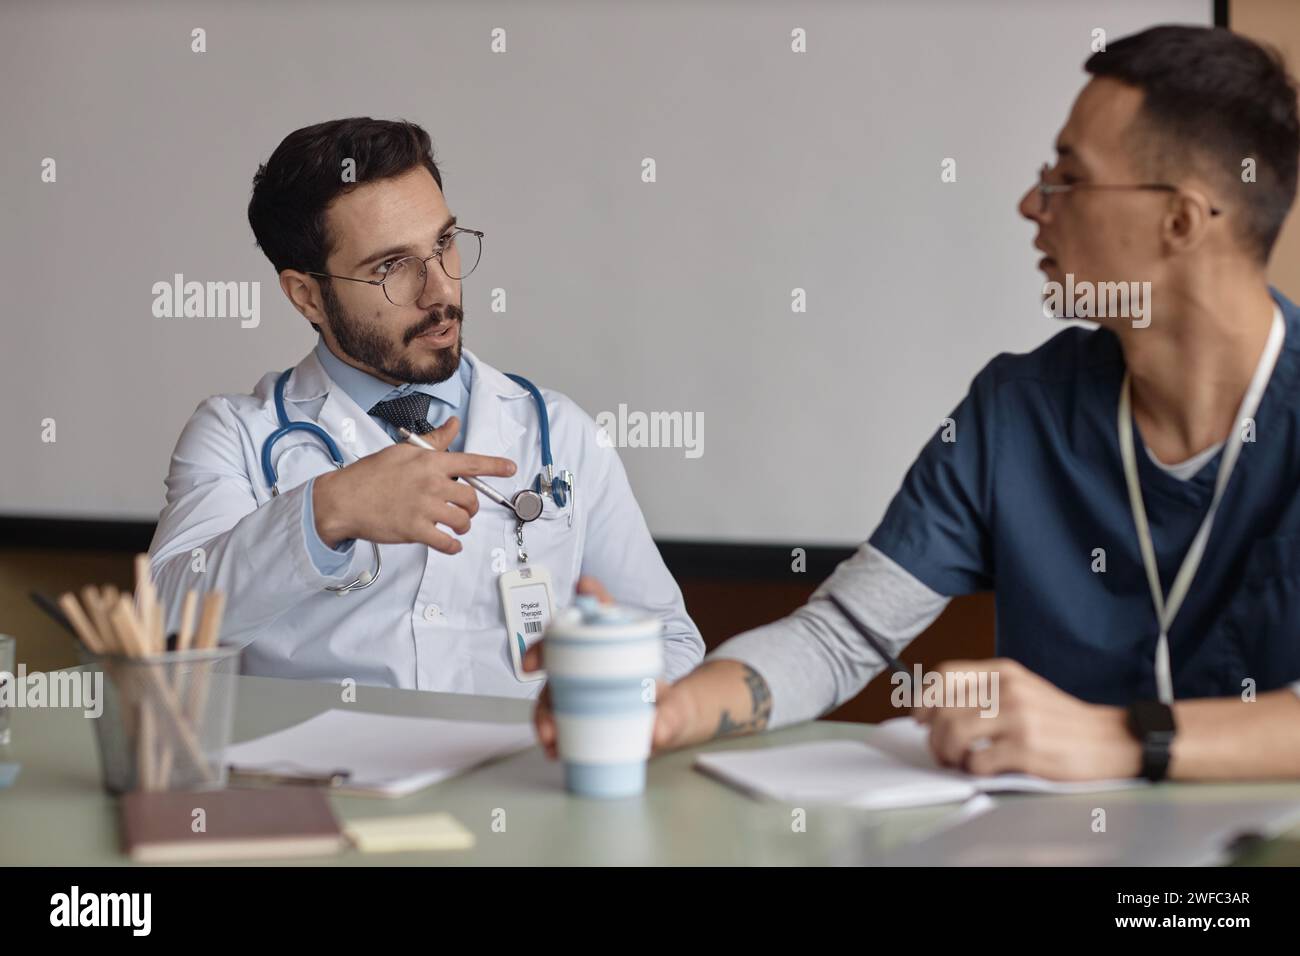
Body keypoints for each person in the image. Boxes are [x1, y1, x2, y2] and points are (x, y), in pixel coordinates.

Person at [534, 26, 1300, 781]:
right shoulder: (1018, 409)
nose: (1032, 203)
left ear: (1181, 221)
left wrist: (1118, 740)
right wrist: (671, 711)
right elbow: (840, 637)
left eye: (1067, 177)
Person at [149, 118, 703, 694]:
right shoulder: (235, 435)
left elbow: (670, 639)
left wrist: (598, 697)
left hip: (511, 775)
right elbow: (162, 631)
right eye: (391, 267)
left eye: (443, 244)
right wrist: (326, 510)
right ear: (307, 295)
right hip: (329, 777)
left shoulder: (559, 432)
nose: (440, 291)